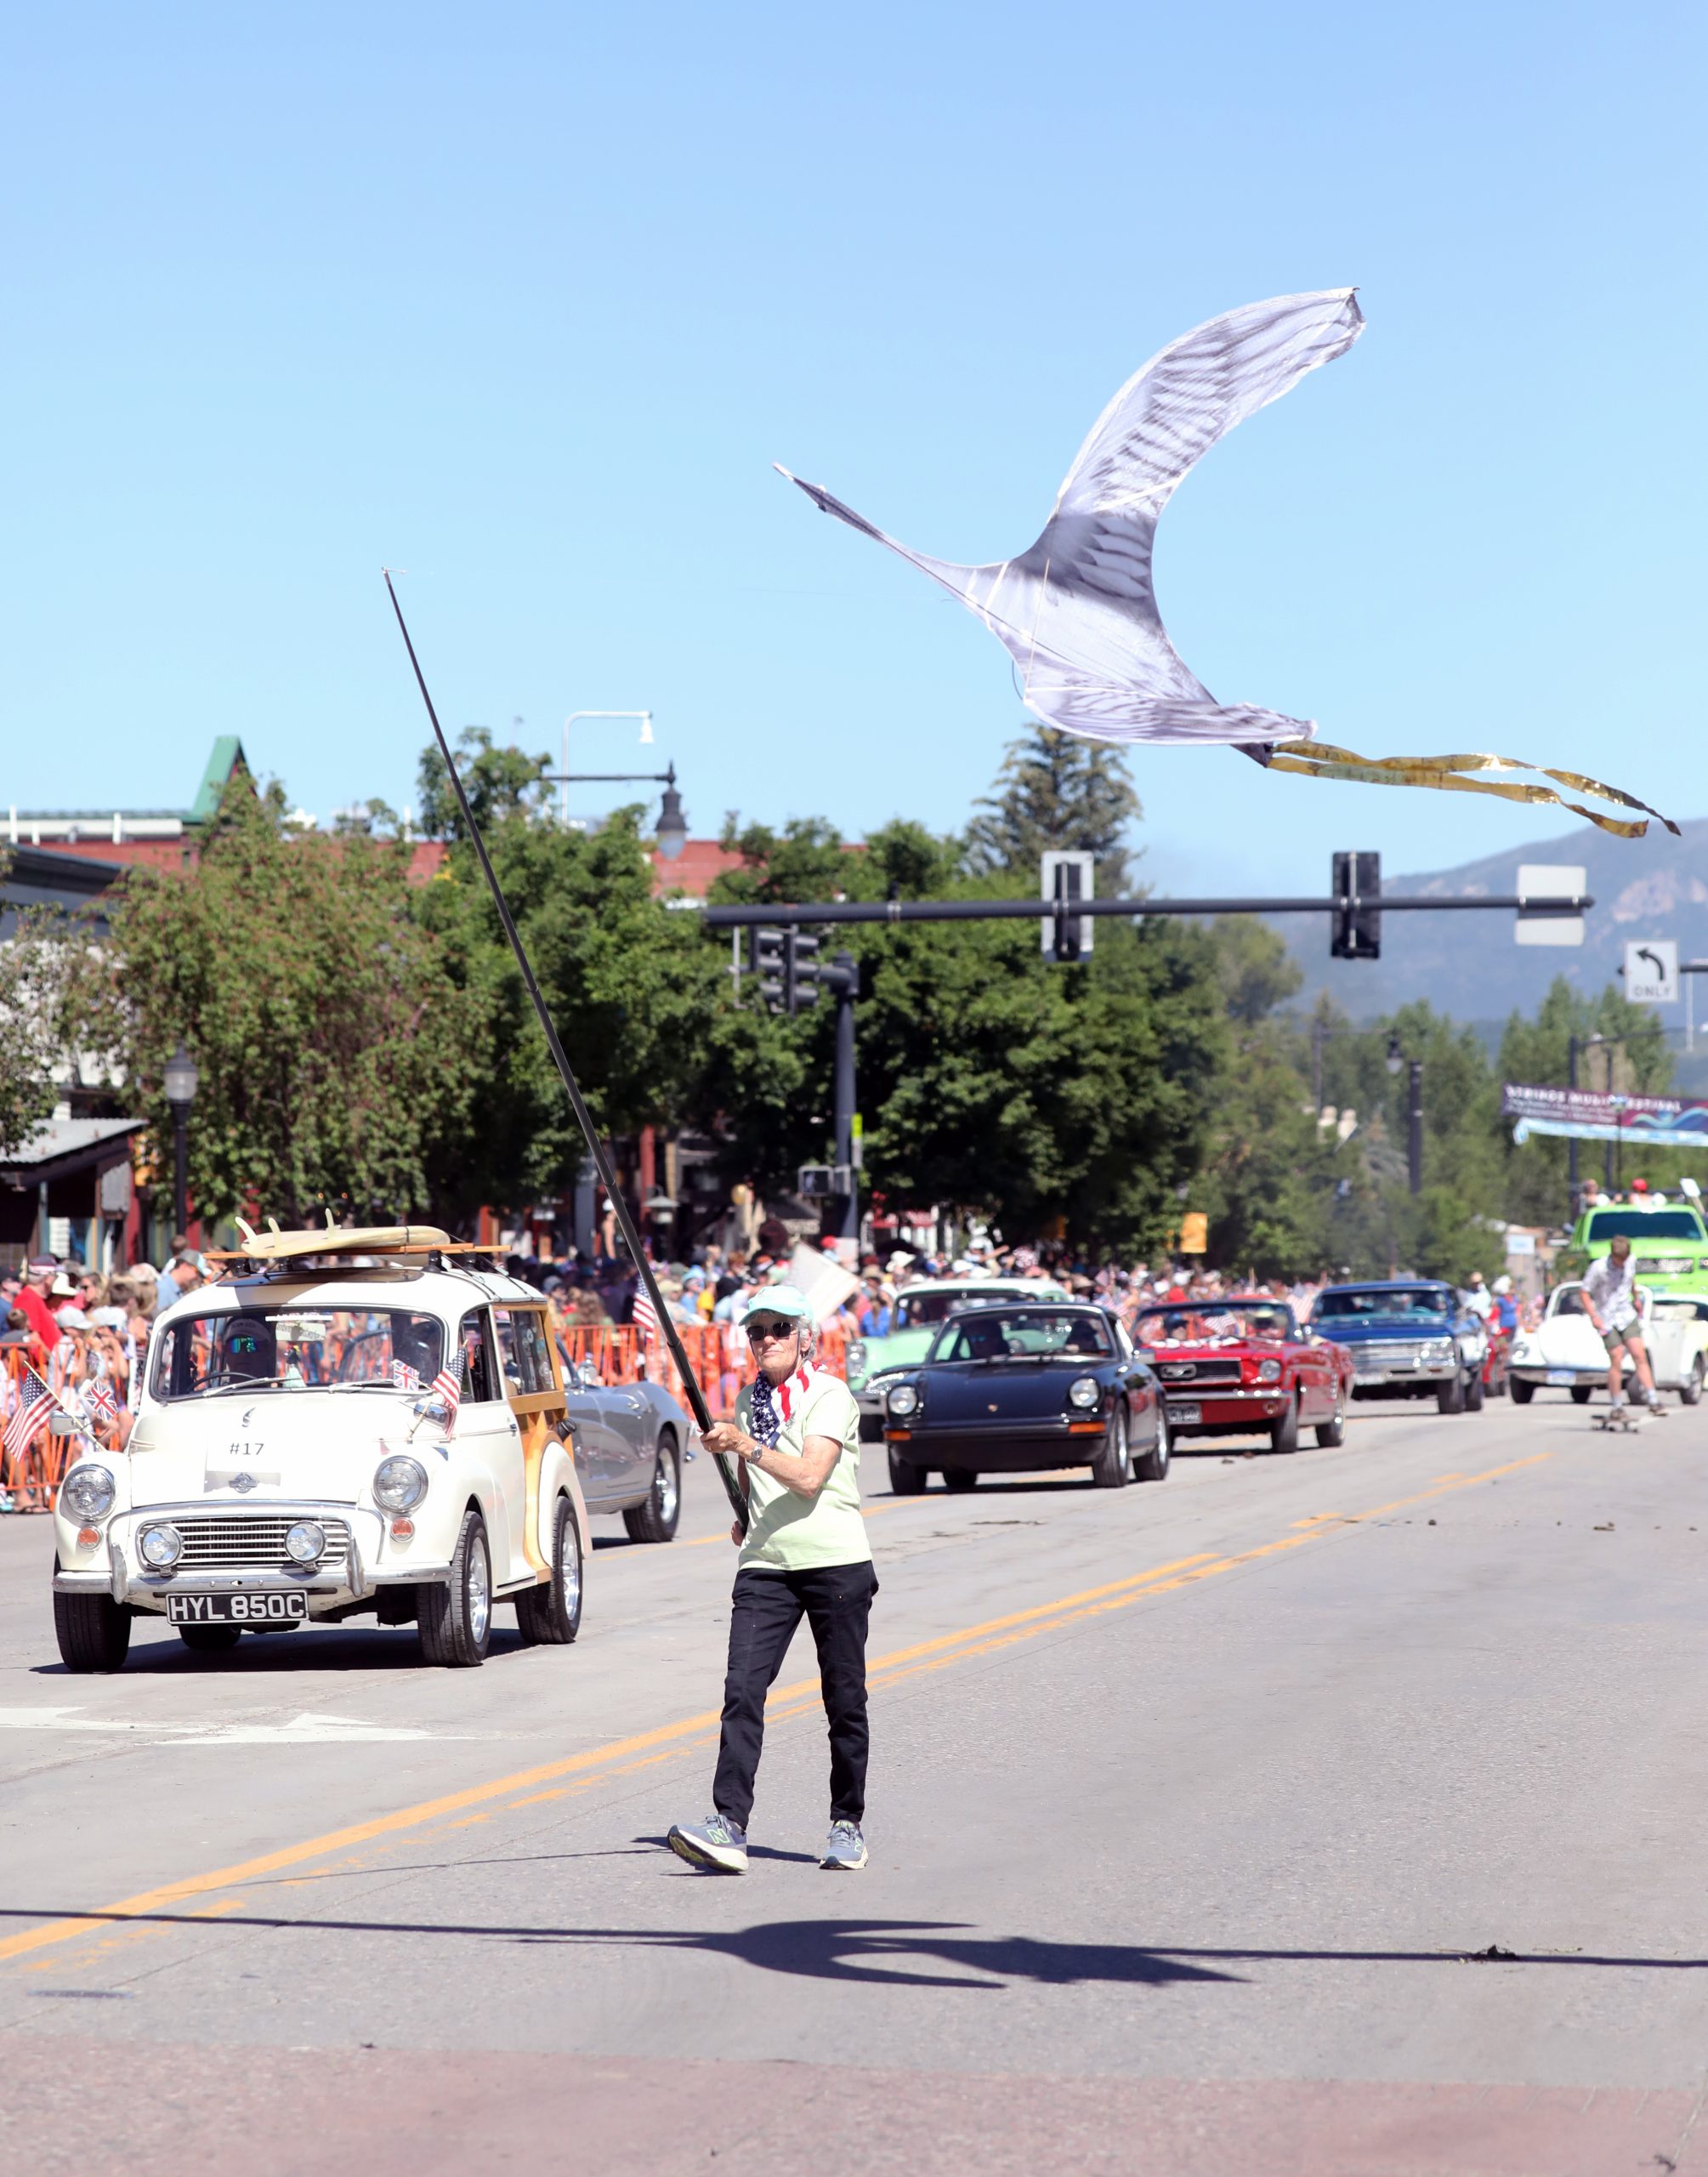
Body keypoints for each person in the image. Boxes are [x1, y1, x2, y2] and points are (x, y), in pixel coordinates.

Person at [668, 1285, 876, 1877]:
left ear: (805, 1336)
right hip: (765, 1565)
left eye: (779, 1328)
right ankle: (727, 1825)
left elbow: (809, 1477)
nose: (765, 1339)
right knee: (742, 1690)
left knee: (843, 1698)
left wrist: (744, 1444)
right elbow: (750, 1471)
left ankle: (846, 1824)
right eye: (756, 1330)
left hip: (834, 1561)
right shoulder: (748, 1400)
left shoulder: (829, 1394)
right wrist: (743, 1511)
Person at [1582, 1233, 1662, 1416]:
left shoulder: (1630, 1261)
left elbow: (1631, 1279)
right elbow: (1584, 1292)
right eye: (1619, 1260)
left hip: (1626, 1314)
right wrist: (1593, 1316)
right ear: (1613, 1255)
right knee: (1616, 1357)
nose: (1622, 1263)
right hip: (1606, 1318)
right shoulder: (1599, 1268)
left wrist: (1636, 1298)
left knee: (1639, 1355)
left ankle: (1653, 1400)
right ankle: (1617, 1405)